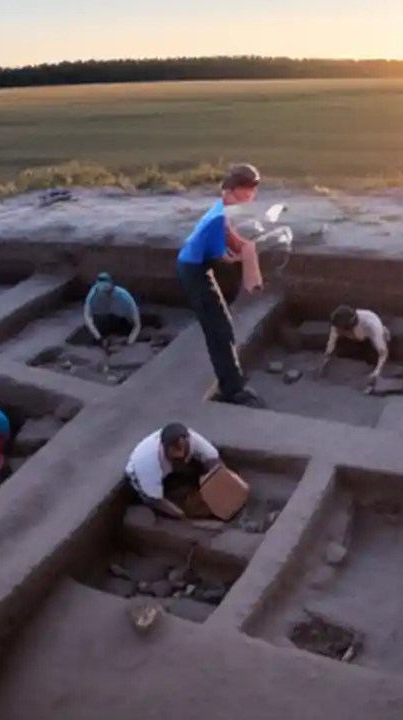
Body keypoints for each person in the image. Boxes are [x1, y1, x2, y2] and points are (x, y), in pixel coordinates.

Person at [176, 164, 265, 408]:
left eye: (253, 189)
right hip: (194, 271)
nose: (252, 195)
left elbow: (229, 239)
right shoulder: (218, 218)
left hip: (197, 265)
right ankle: (231, 389)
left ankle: (231, 382)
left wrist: (243, 250)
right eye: (247, 189)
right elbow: (223, 256)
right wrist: (243, 258)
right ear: (233, 189)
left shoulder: (223, 210)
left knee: (222, 327)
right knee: (218, 330)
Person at [124, 422, 222, 519]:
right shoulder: (148, 464)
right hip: (143, 481)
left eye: (183, 449)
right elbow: (156, 500)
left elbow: (214, 460)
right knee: (181, 507)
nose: (180, 452)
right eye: (176, 451)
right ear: (164, 448)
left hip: (171, 469)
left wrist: (216, 485)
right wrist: (181, 515)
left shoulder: (194, 439)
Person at [319, 305, 392, 382]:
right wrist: (326, 357)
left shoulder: (371, 326)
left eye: (340, 330)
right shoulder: (338, 324)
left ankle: (384, 330)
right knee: (342, 351)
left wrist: (377, 372)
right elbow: (331, 343)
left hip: (369, 337)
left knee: (373, 356)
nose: (336, 331)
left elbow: (383, 352)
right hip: (354, 337)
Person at [83, 272, 141, 349]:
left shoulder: (125, 297)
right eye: (101, 294)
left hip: (122, 320)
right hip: (103, 319)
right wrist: (99, 338)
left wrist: (129, 341)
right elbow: (87, 316)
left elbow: (137, 324)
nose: (104, 297)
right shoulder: (92, 296)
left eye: (106, 293)